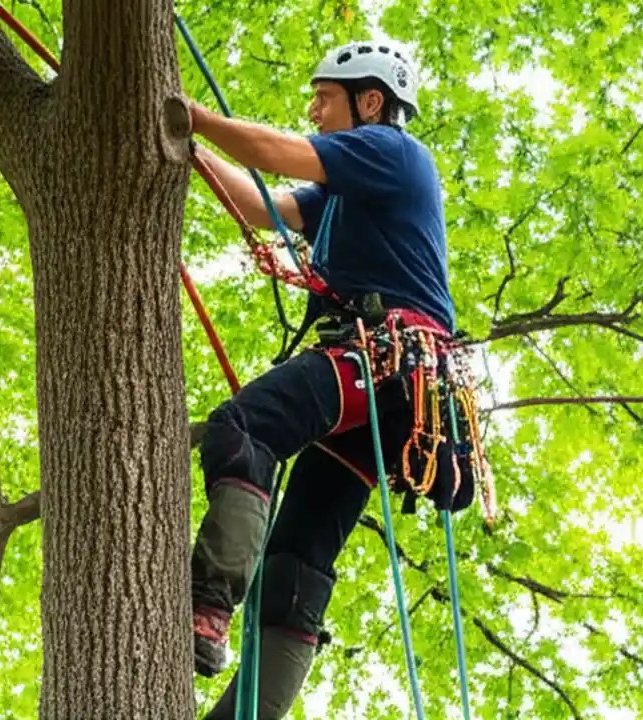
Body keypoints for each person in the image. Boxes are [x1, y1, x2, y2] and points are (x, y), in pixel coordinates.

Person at [186, 40, 467, 719]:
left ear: (370, 102)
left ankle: (206, 608)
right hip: (390, 391)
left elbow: (275, 152)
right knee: (296, 557)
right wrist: (186, 146)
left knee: (244, 427)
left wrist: (190, 115)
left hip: (384, 361)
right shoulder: (342, 193)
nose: (313, 109)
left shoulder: (391, 151)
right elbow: (259, 206)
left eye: (324, 97)